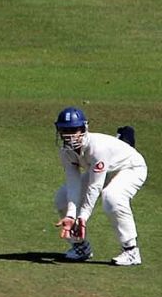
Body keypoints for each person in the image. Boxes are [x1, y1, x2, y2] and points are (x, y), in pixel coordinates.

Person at [53, 106, 148, 266]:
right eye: (65, 130)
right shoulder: (66, 152)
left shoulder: (98, 149)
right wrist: (70, 215)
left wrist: (83, 217)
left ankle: (131, 250)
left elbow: (94, 187)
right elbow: (73, 183)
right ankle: (80, 246)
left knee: (112, 197)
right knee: (62, 198)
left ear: (84, 129)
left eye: (74, 130)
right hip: (103, 170)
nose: (69, 136)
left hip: (130, 168)